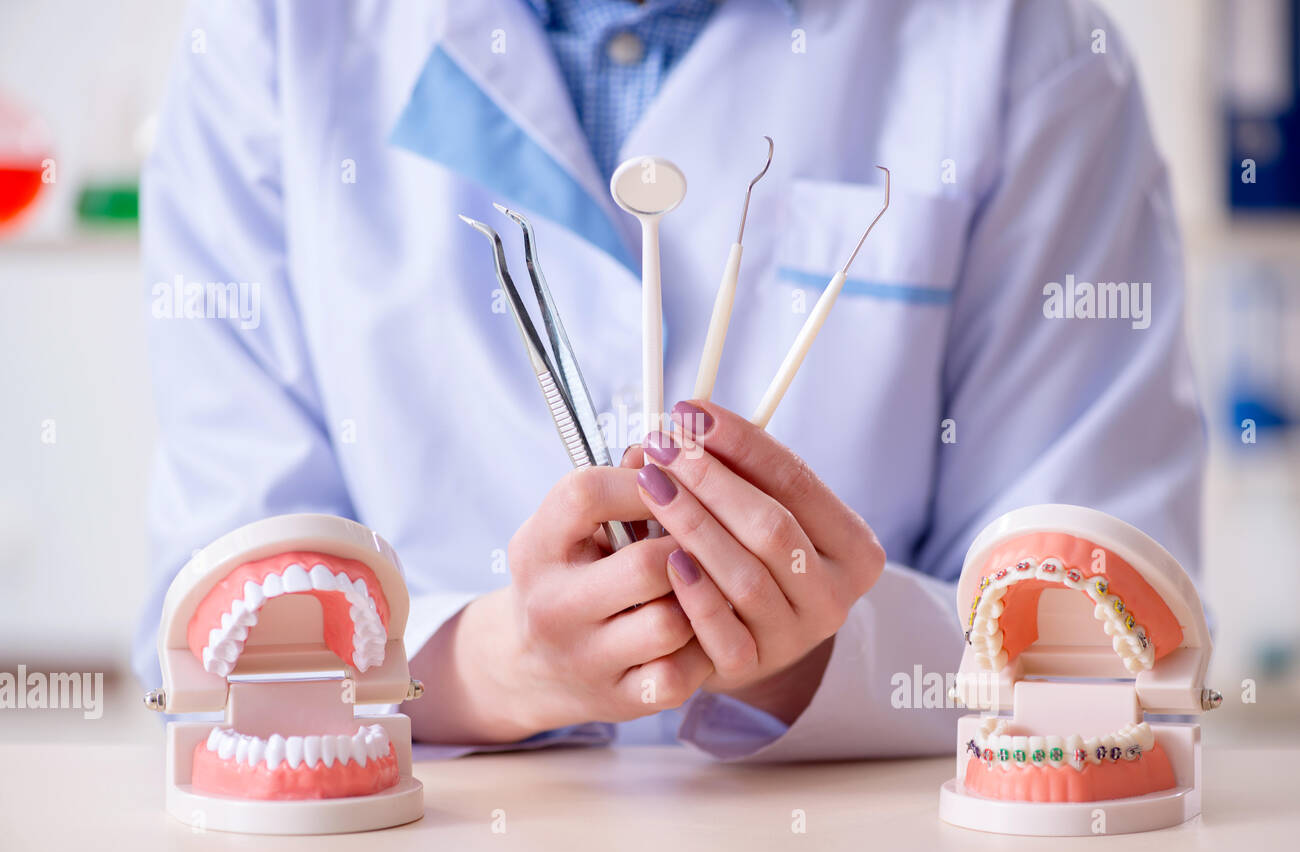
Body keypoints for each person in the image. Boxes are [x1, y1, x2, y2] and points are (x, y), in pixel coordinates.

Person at [136, 0, 1204, 760]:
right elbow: (217, 638)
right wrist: (487, 666)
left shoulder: (1022, 40)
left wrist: (818, 658)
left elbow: (1116, 646)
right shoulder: (268, 34)